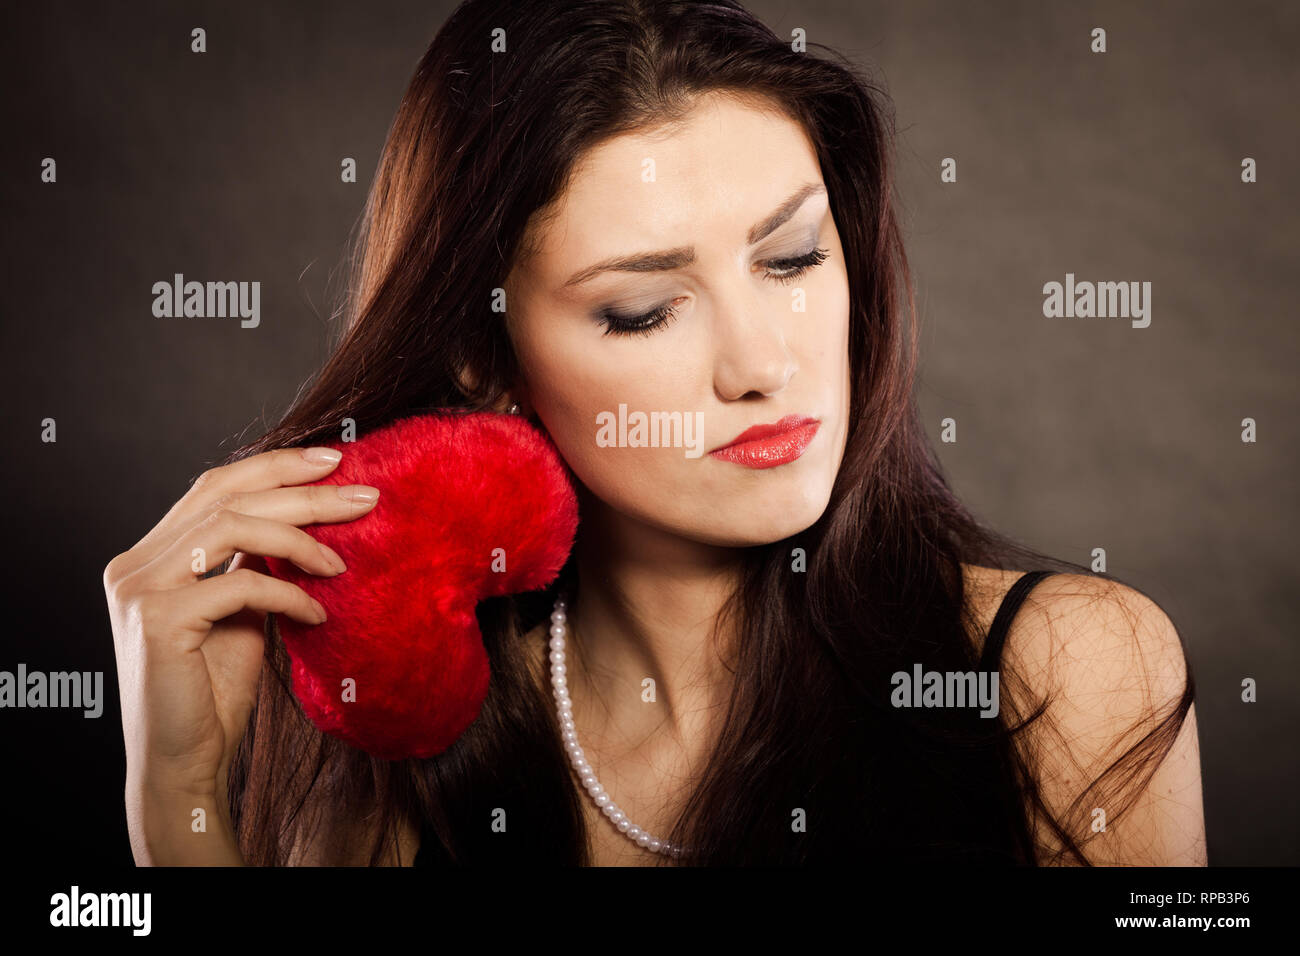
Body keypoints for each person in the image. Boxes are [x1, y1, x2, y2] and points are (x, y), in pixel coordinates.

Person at [103, 0, 1206, 866]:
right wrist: (179, 803)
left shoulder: (1061, 667)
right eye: (643, 308)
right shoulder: (419, 733)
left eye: (792, 258)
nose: (763, 364)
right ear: (484, 357)